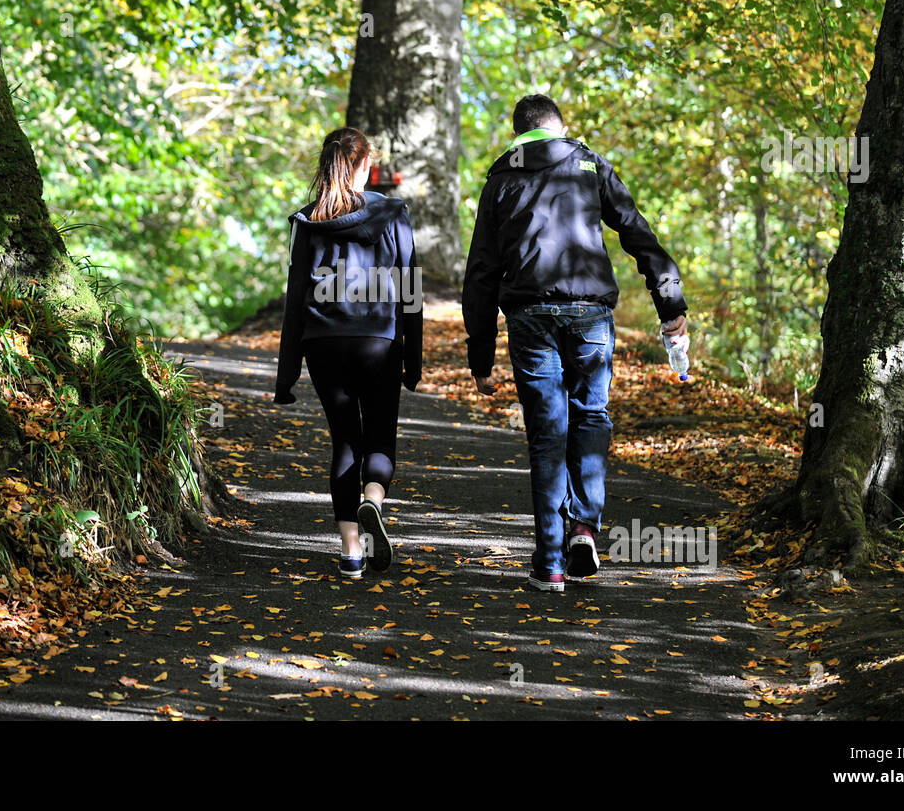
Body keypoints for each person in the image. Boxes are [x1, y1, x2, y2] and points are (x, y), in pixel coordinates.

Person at [462, 94, 689, 592]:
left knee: (547, 434)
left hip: (529, 317)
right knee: (590, 417)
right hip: (590, 316)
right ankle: (584, 527)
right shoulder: (590, 166)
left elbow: (480, 272)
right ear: (560, 129)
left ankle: (549, 565)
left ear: (519, 133)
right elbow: (637, 233)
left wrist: (480, 354)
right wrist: (670, 307)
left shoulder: (501, 180)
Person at [275, 127, 423, 579]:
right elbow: (411, 293)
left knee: (345, 441)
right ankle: (372, 500)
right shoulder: (394, 213)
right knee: (380, 436)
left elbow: (296, 296)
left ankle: (351, 554)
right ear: (364, 165)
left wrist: (286, 377)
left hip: (323, 345)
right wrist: (412, 359)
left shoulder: (307, 222)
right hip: (378, 341)